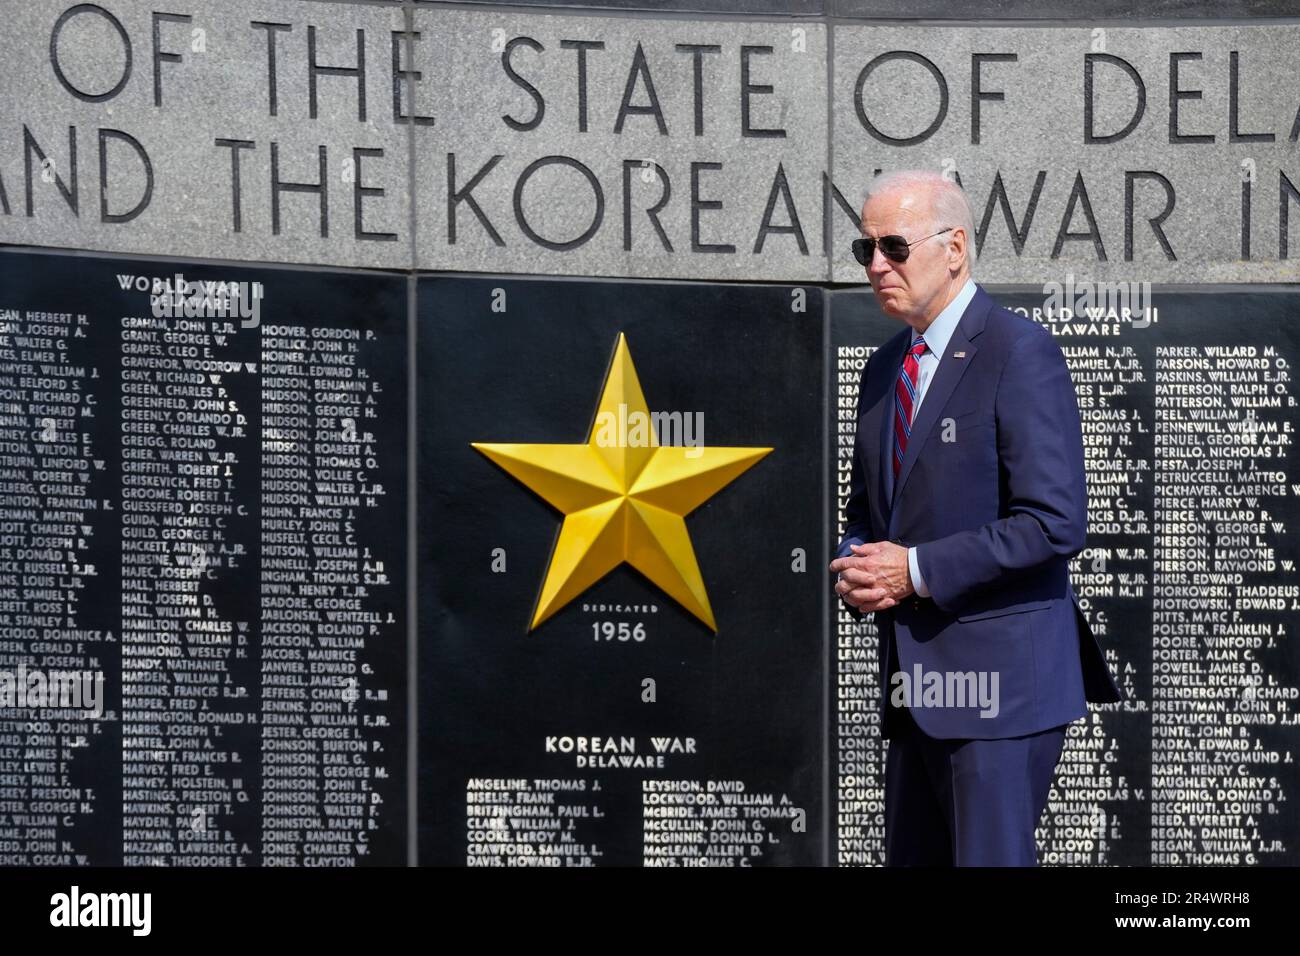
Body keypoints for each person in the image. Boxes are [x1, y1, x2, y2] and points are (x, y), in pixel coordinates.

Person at [828, 169, 1122, 866]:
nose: (876, 266)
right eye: (865, 248)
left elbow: (1052, 522)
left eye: (894, 247)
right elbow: (868, 511)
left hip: (1002, 693)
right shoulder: (884, 368)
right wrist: (858, 563)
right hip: (914, 686)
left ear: (954, 248)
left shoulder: (1018, 352)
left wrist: (914, 570)